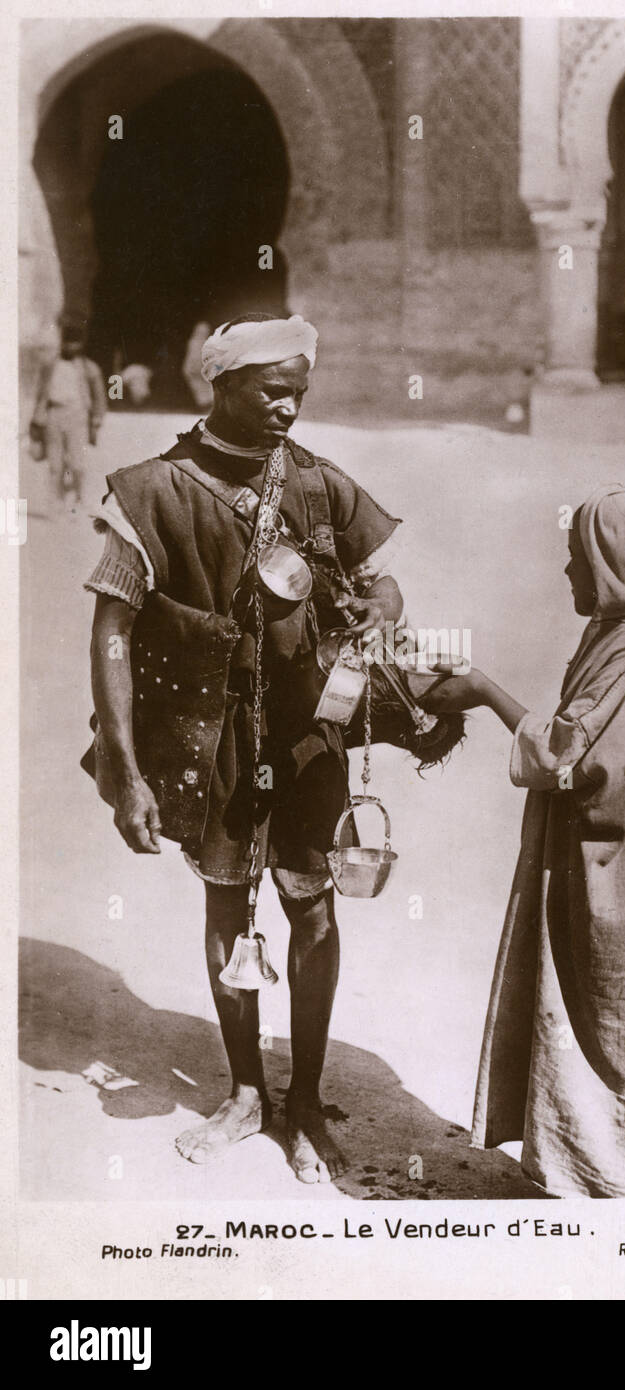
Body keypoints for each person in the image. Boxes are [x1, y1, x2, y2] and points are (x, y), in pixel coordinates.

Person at [83, 312, 404, 1183]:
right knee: (227, 910)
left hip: (308, 742)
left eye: (299, 392)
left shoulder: (315, 483)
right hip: (209, 743)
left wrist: (382, 610)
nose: (289, 408)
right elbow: (110, 633)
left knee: (314, 907)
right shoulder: (149, 492)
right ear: (220, 387)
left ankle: (304, 1103)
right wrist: (124, 770)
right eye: (272, 391)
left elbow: (382, 581)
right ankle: (245, 1091)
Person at [422, 484, 625, 1197]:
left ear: (617, 563)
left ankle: (618, 1178)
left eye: (578, 558)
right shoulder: (623, 639)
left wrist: (485, 691)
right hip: (619, 862)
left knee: (607, 1017)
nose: (568, 574)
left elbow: (562, 757)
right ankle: (577, 1165)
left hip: (619, 872)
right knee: (590, 1010)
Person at [31, 325, 106, 513]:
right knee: (55, 463)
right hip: (54, 414)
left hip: (77, 415)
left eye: (74, 343)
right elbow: (40, 393)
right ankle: (56, 502)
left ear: (80, 345)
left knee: (77, 463)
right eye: (67, 343)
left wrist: (96, 418)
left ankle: (79, 499)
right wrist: (37, 418)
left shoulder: (89, 367)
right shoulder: (50, 366)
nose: (70, 347)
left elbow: (99, 396)